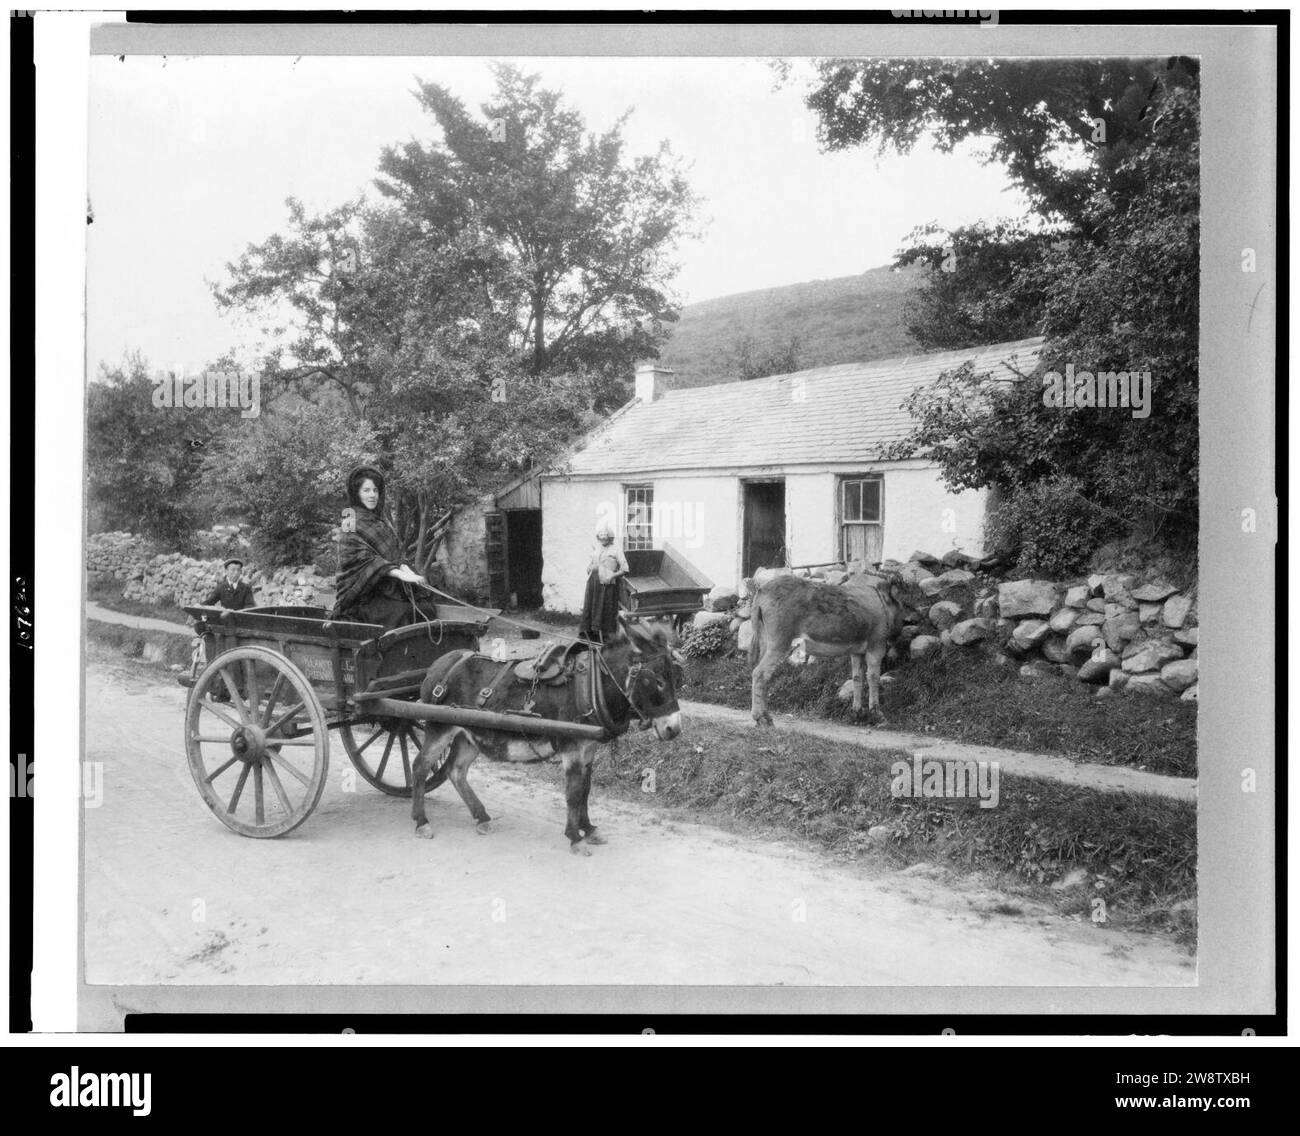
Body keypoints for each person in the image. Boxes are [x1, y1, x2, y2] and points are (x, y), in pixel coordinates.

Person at [331, 466, 441, 630]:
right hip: (363, 596)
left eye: (375, 490)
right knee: (403, 614)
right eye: (366, 490)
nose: (372, 495)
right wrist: (401, 575)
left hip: (387, 589)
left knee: (425, 608)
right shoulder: (350, 519)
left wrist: (407, 569)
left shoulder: (379, 519)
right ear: (356, 493)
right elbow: (359, 558)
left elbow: (395, 554)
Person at [579, 522, 630, 643]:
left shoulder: (616, 550)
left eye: (605, 536)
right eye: (600, 536)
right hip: (593, 583)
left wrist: (613, 575)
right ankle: (591, 635)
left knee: (606, 610)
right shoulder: (597, 549)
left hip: (607, 585)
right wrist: (589, 567)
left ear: (610, 537)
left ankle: (607, 638)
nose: (602, 539)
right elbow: (593, 562)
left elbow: (625, 569)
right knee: (591, 607)